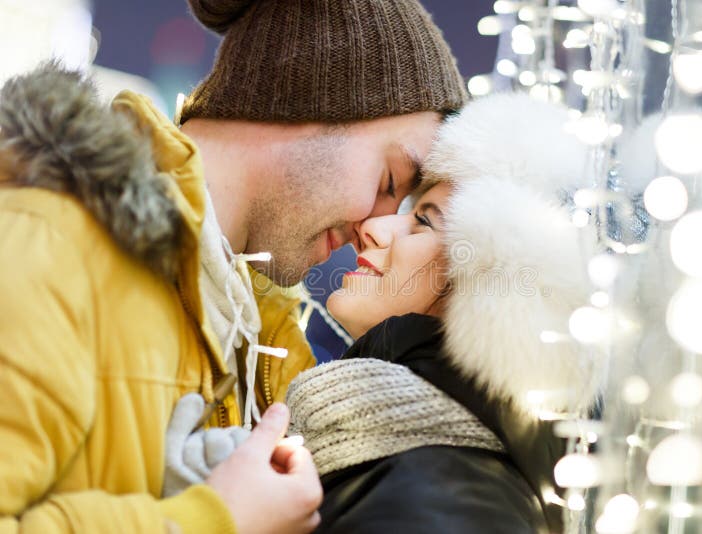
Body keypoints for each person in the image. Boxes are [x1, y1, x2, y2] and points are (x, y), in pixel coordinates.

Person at [0, 0, 466, 532]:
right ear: (306, 93)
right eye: (389, 182)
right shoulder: (48, 247)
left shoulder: (273, 343)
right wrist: (216, 521)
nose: (375, 226)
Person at [285, 93, 603, 532]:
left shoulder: (437, 493)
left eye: (423, 220)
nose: (373, 228)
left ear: (485, 285)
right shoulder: (403, 458)